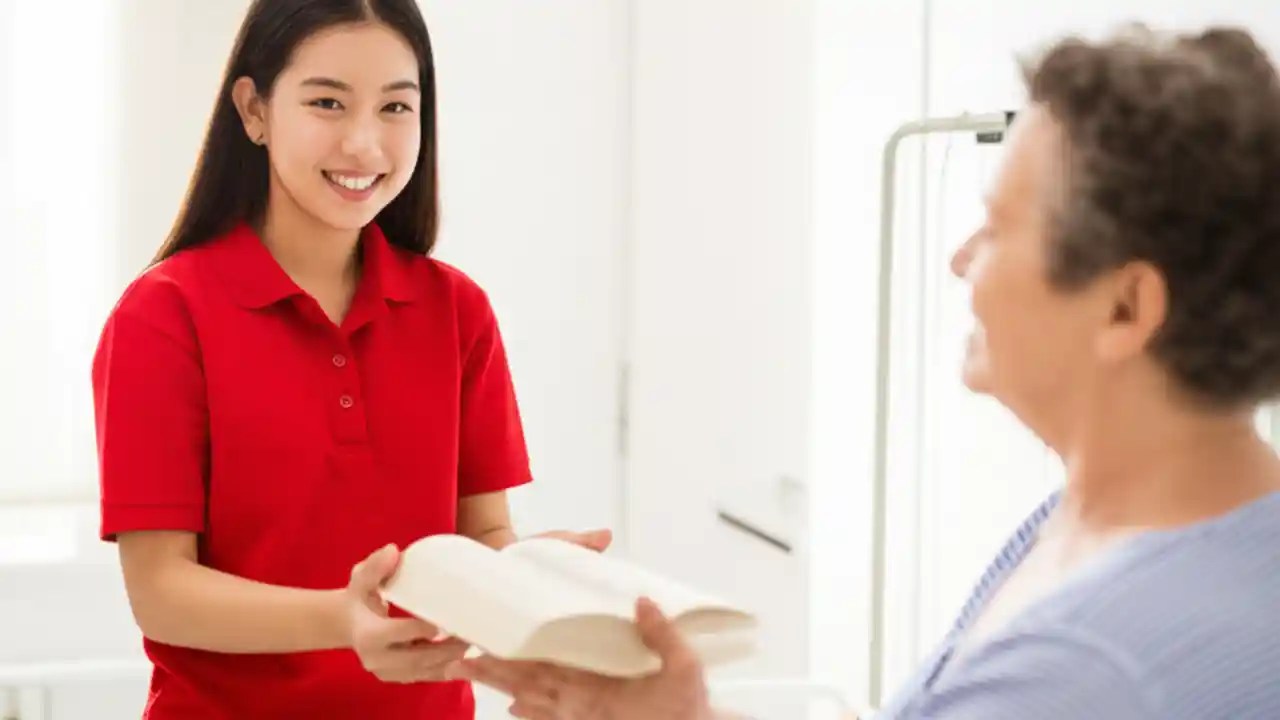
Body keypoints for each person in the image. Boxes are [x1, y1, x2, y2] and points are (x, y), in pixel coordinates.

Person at [450, 24, 1280, 720]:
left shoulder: (1089, 676)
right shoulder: (1152, 522)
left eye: (995, 228)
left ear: (1126, 309)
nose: (960, 260)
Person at [90, 1, 611, 718]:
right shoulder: (164, 316)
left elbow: (482, 534)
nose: (365, 144)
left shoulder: (457, 311)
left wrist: (528, 581)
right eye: (328, 102)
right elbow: (161, 594)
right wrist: (345, 616)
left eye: (396, 107)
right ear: (254, 110)